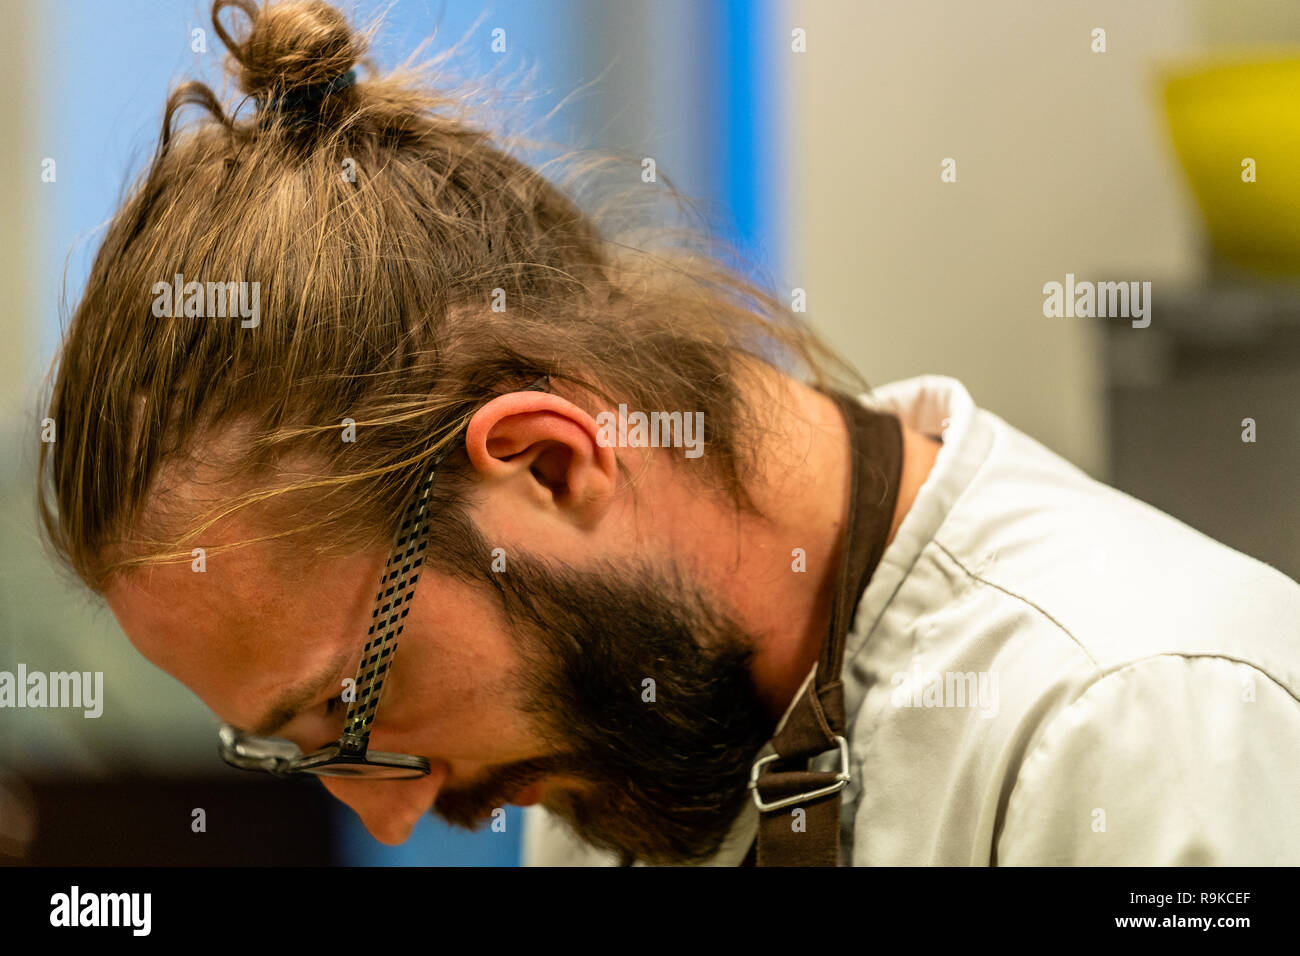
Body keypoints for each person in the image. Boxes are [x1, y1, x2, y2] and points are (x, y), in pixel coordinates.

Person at [40, 0, 1300, 867]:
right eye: (295, 750)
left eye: (349, 707)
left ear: (548, 461)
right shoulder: (622, 735)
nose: (391, 813)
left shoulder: (1137, 725)